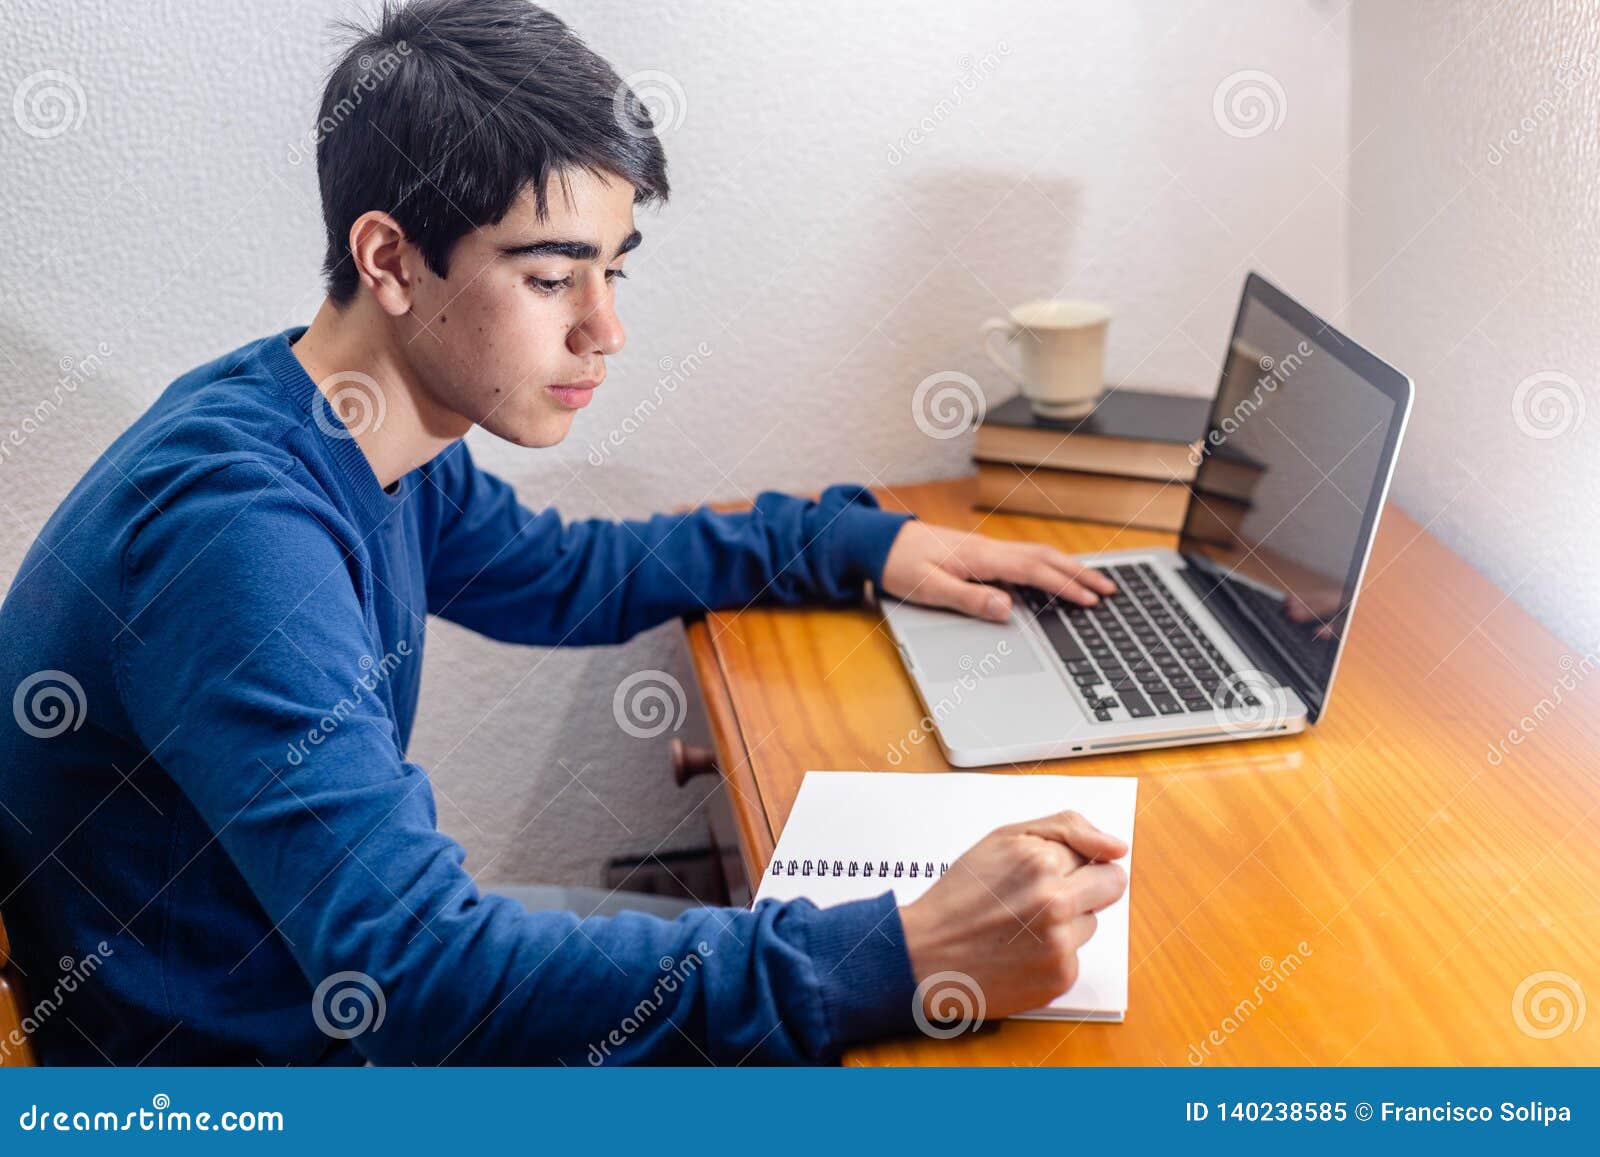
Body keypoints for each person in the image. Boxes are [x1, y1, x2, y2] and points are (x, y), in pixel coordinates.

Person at [0, 0, 1127, 1065]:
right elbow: (423, 975)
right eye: (551, 278)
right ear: (391, 260)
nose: (608, 329)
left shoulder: (351, 419)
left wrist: (852, 544)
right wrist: (904, 949)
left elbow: (562, 575)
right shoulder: (235, 536)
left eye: (614, 270)